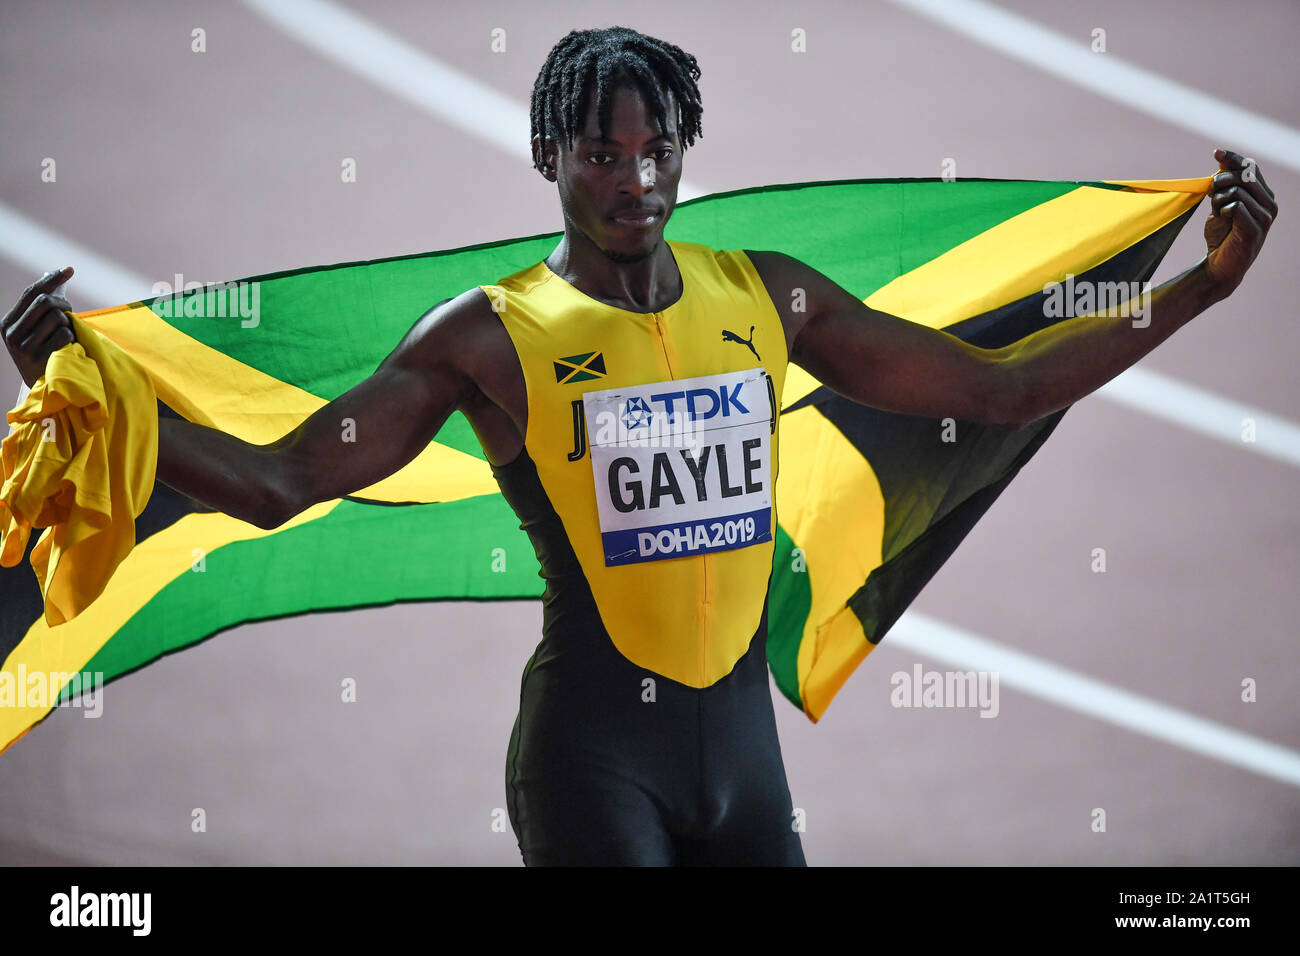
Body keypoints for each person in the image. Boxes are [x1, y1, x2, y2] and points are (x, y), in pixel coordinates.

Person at [1, 27, 1276, 866]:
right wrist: (101, 407)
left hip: (745, 765)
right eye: (602, 152)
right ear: (551, 156)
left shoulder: (766, 298)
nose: (635, 176)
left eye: (657, 146)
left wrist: (1200, 290)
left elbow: (998, 390)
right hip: (593, 758)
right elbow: (282, 482)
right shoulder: (491, 338)